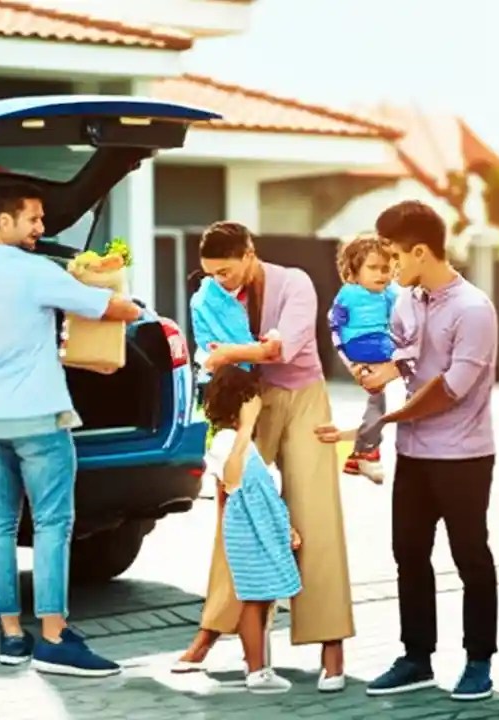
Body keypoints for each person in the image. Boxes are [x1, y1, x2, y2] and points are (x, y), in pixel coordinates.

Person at [0, 182, 142, 678]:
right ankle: (55, 638)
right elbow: (112, 308)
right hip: (39, 416)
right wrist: (128, 301)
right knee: (53, 525)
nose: (41, 228)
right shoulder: (35, 271)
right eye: (33, 219)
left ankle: (12, 635)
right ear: (4, 221)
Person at [315, 200, 499, 702]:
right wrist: (367, 371)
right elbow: (398, 354)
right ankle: (417, 657)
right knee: (409, 555)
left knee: (470, 557)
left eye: (395, 255)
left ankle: (479, 660)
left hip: (464, 456)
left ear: (421, 251)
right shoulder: (406, 301)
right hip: (415, 455)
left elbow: (450, 388)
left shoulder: (473, 309)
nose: (390, 266)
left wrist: (374, 427)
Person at [177, 221, 355, 693]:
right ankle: (212, 629)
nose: (221, 281)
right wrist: (225, 365)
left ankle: (329, 642)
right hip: (247, 404)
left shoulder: (295, 283)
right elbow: (219, 360)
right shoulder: (211, 299)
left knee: (316, 516)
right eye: (211, 274)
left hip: (303, 398)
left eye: (227, 271)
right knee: (236, 514)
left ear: (250, 253)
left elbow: (283, 349)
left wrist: (224, 353)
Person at [200, 365, 303, 693]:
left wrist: (286, 528)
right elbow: (232, 479)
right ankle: (256, 670)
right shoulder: (227, 441)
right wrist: (244, 430)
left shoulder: (246, 442)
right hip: (247, 531)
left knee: (262, 596)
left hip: (263, 527)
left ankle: (260, 665)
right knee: (255, 598)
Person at [328, 233, 411, 484]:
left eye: (386, 268)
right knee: (415, 361)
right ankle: (365, 451)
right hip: (364, 345)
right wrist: (350, 361)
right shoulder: (348, 294)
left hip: (379, 344)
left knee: (378, 401)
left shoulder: (388, 293)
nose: (381, 274)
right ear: (353, 271)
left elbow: (404, 311)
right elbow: (335, 327)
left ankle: (363, 453)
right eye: (373, 268)